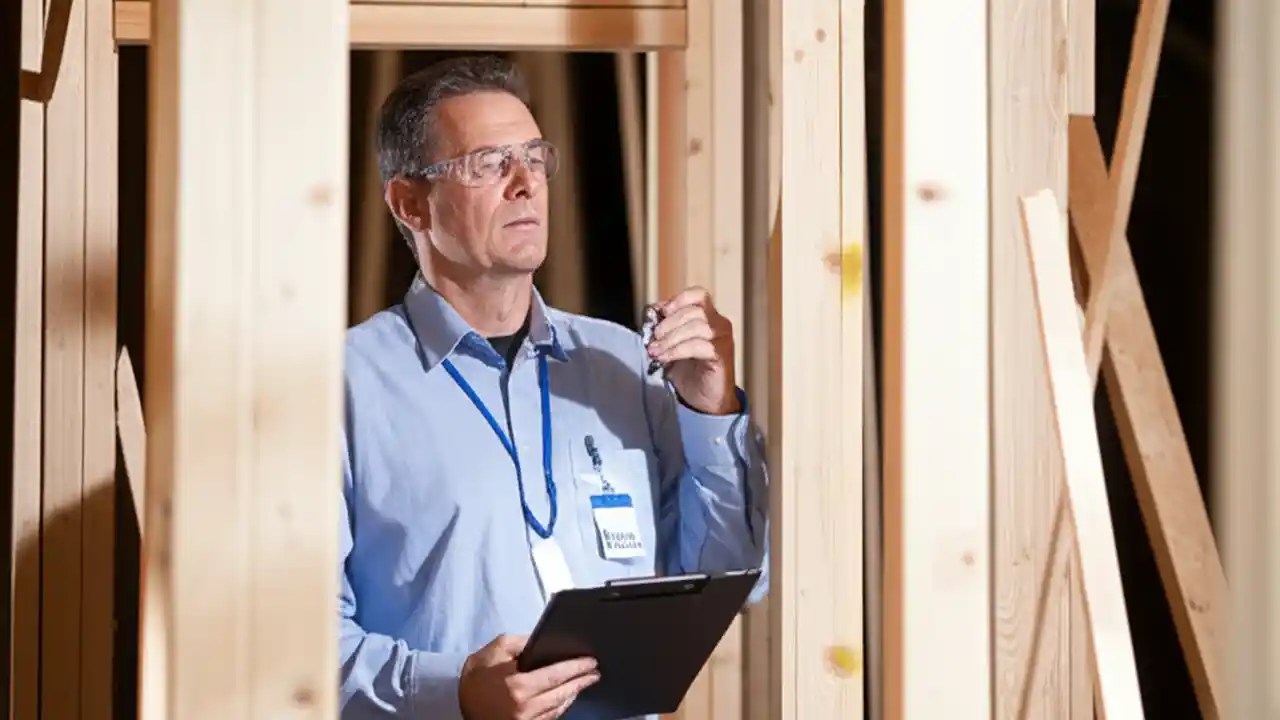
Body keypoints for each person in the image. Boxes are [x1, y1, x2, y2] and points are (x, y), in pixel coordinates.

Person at [338, 54, 770, 720]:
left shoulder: (623, 362)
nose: (525, 184)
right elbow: (297, 645)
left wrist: (711, 407)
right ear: (410, 203)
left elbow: (733, 577)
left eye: (535, 158)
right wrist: (455, 691)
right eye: (487, 163)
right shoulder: (345, 387)